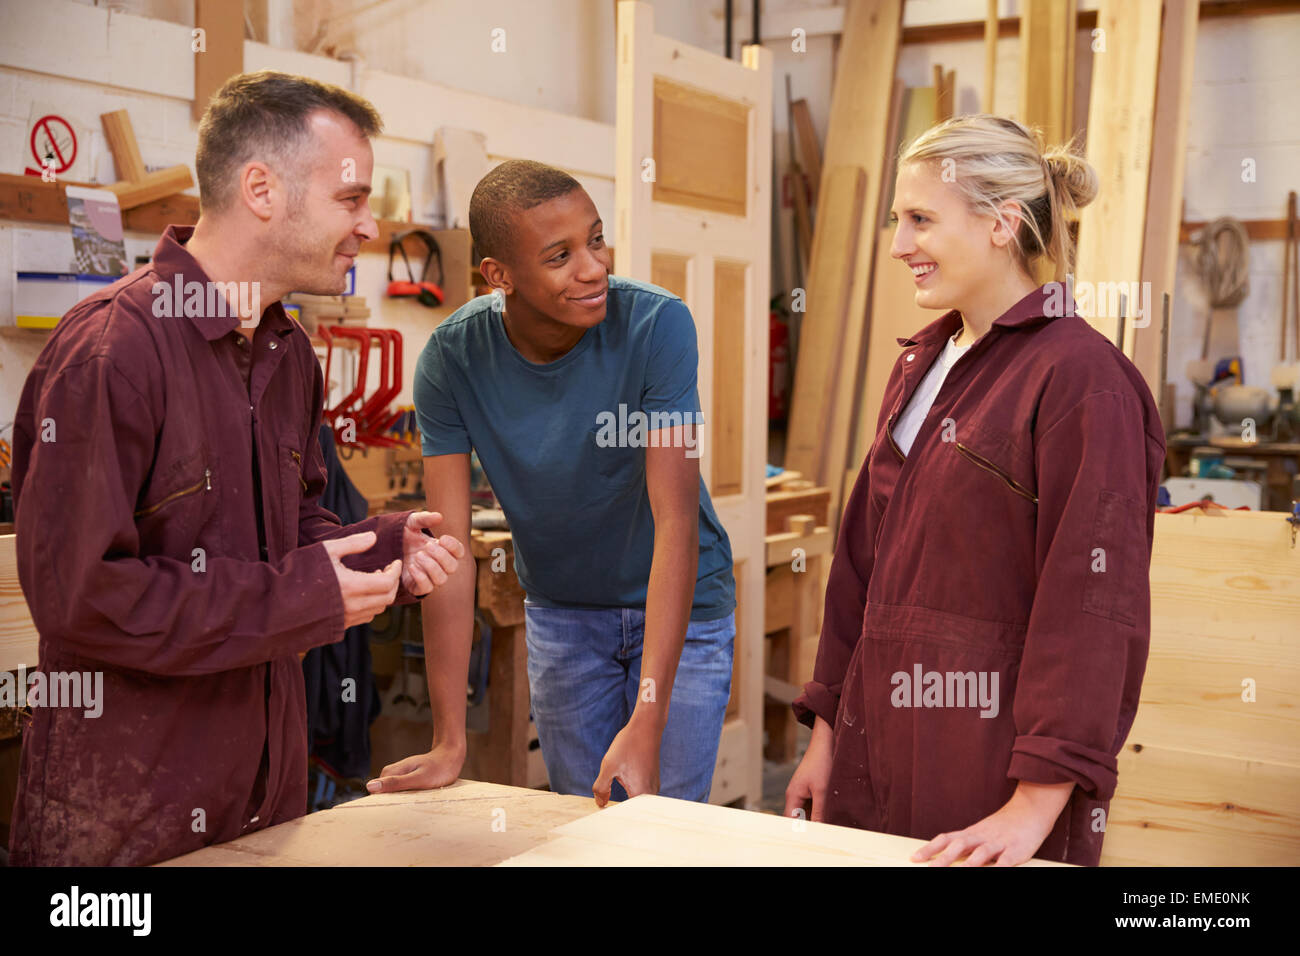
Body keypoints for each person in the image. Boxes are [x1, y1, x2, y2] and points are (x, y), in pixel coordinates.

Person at [8, 70, 464, 866]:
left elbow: (290, 526)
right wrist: (299, 598)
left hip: (262, 802)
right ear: (262, 188)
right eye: (351, 199)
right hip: (128, 822)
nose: (369, 225)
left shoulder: (287, 354)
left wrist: (377, 546)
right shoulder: (114, 348)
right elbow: (82, 600)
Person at [785, 114, 1166, 867]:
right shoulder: (920, 365)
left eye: (920, 219)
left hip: (990, 772)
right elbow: (858, 572)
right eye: (898, 219)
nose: (898, 245)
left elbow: (1092, 607)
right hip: (878, 747)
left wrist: (1035, 803)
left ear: (1003, 222)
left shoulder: (1082, 381)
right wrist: (827, 732)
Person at [369, 160, 736, 806]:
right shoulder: (452, 360)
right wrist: (449, 738)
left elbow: (676, 521)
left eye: (596, 240)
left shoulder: (657, 327)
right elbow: (449, 554)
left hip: (683, 610)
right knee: (589, 833)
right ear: (499, 276)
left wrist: (649, 719)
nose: (593, 267)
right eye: (560, 255)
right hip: (565, 619)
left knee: (668, 840)